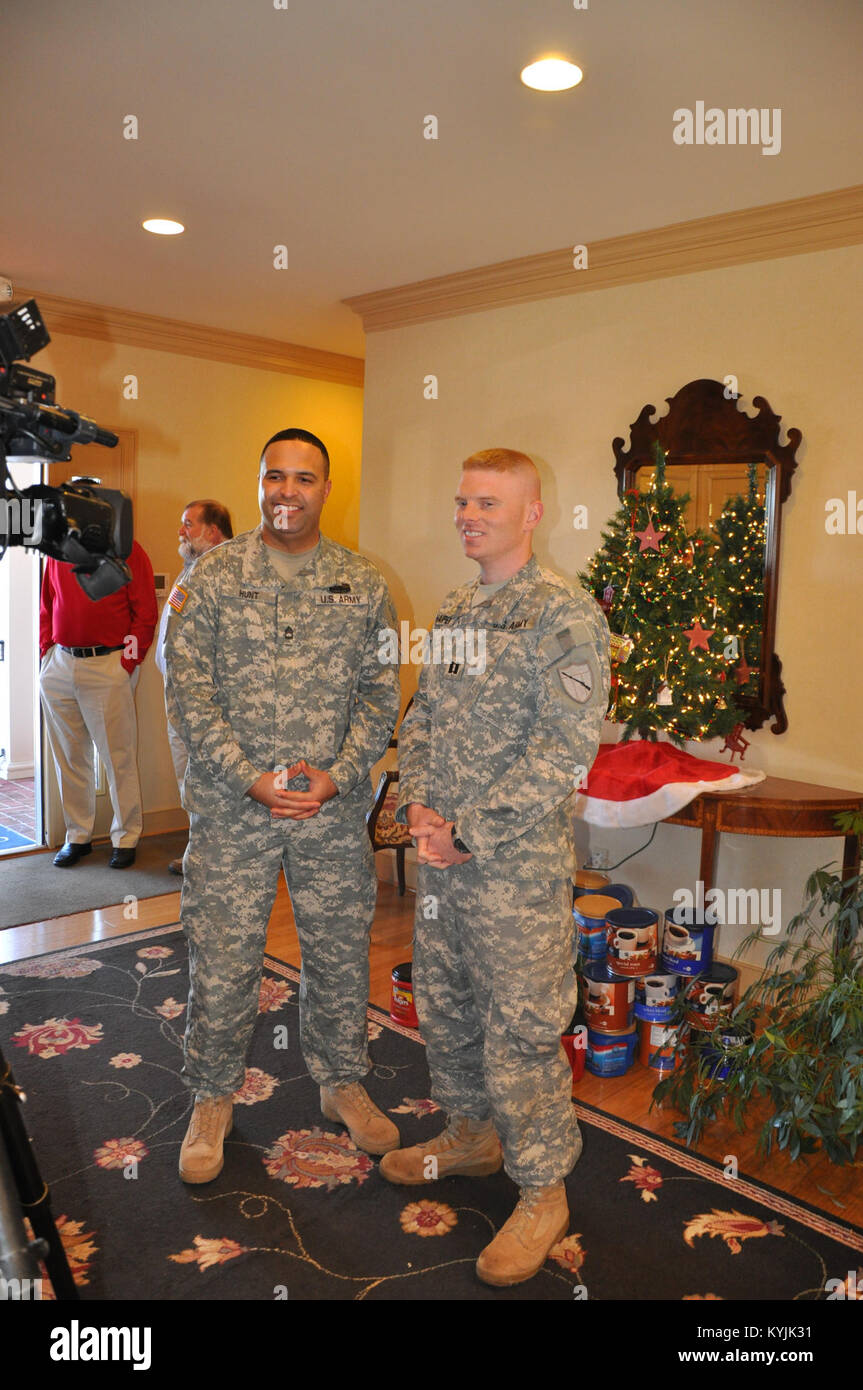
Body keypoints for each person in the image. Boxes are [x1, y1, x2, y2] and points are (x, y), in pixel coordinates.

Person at [380, 448, 610, 1288]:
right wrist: (414, 807)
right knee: (445, 1007)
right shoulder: (453, 607)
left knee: (518, 1028)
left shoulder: (565, 617)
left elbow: (564, 752)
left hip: (511, 873)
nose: (467, 514)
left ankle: (542, 1188)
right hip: (443, 864)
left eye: (487, 501)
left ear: (530, 513)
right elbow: (425, 716)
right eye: (461, 499)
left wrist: (468, 831)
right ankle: (472, 1136)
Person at [164, 428, 401, 1184]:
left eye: (303, 478)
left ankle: (341, 1081)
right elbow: (188, 691)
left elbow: (379, 694)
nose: (287, 492)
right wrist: (245, 776)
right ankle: (211, 1099)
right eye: (275, 477)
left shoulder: (363, 585)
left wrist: (337, 773)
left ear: (326, 489)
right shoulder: (212, 577)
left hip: (329, 811)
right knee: (224, 954)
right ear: (258, 481)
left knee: (337, 948)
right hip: (236, 810)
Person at [39, 530, 158, 870]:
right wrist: (45, 651)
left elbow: (145, 610)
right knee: (69, 757)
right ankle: (78, 835)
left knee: (117, 756)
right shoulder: (56, 549)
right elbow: (47, 602)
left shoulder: (128, 549)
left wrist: (128, 663)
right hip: (60, 663)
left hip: (109, 662)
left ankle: (127, 836)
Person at [154, 499, 233, 874]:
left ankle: (216, 859)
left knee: (212, 783)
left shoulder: (230, 574)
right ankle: (197, 853)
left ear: (212, 531)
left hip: (208, 706)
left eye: (188, 524)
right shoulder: (192, 571)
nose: (181, 531)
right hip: (179, 704)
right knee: (189, 781)